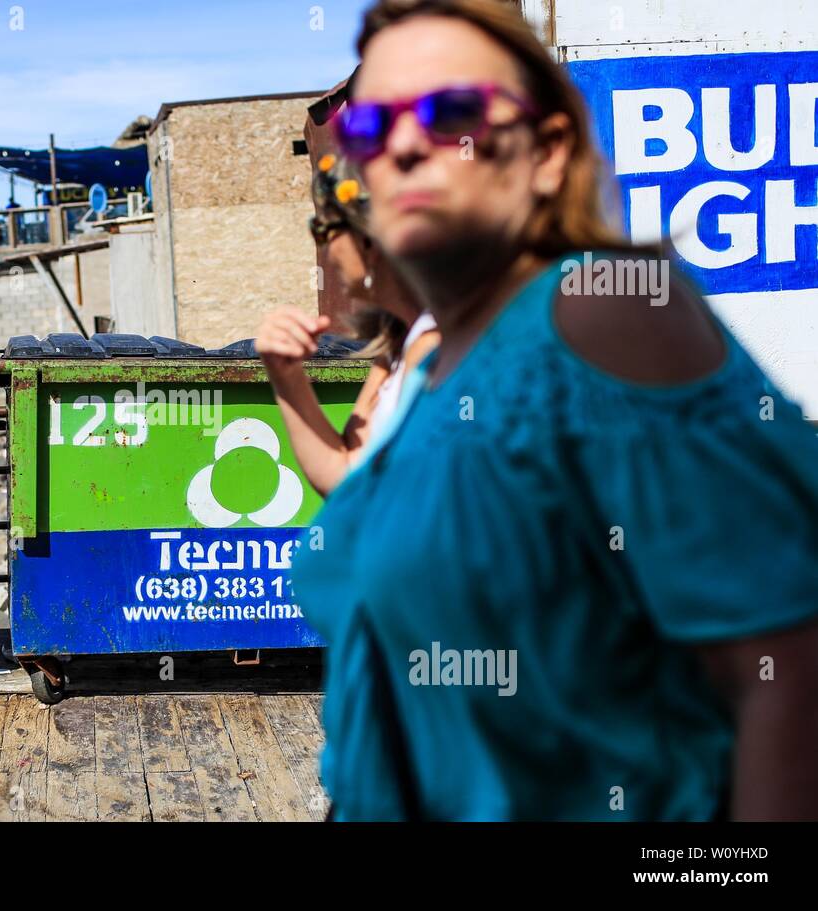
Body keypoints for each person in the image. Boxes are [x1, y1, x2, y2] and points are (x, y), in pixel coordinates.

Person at [292, 0, 818, 820]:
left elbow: (785, 668)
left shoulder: (600, 310)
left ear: (547, 152)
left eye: (449, 111)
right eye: (374, 127)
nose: (400, 143)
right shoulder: (441, 361)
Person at [257, 117, 438, 496]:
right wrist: (286, 377)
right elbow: (347, 478)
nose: (325, 249)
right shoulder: (401, 342)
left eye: (325, 229)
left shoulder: (441, 346)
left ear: (371, 239)